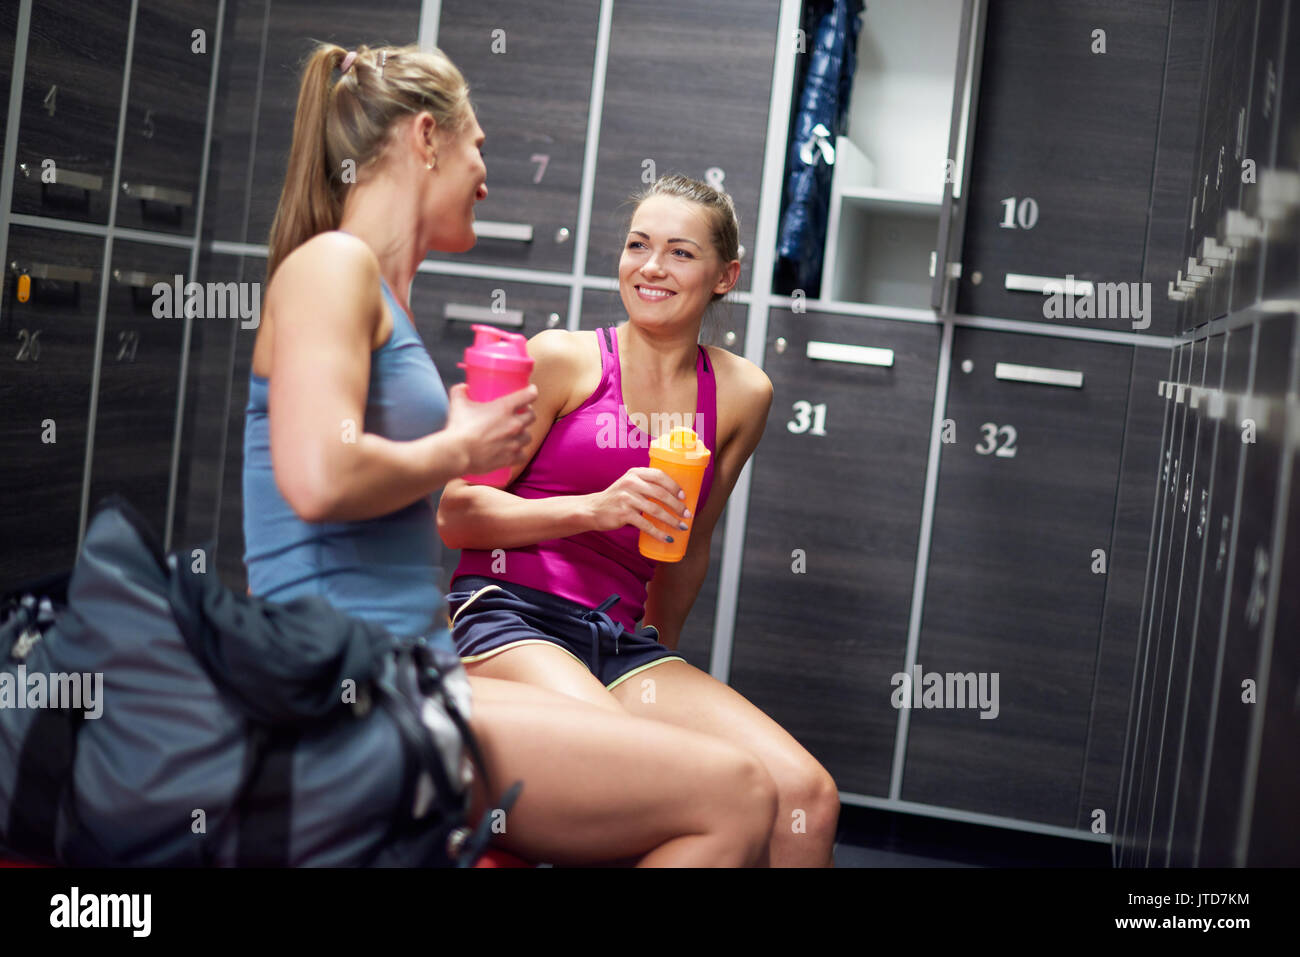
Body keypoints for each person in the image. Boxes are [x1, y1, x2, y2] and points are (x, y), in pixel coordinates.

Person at [241, 41, 779, 866]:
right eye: (479, 147)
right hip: (348, 676)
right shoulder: (332, 264)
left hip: (411, 662)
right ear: (426, 139)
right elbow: (317, 479)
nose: (488, 176)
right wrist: (460, 444)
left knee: (757, 791)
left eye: (681, 253)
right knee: (729, 796)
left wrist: (448, 441)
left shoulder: (387, 292)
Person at [437, 175, 841, 867]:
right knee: (640, 769)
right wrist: (596, 508)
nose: (651, 266)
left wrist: (659, 659)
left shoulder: (743, 393)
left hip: (618, 640)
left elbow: (689, 546)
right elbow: (457, 514)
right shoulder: (564, 359)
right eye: (637, 245)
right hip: (510, 615)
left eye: (681, 252)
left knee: (807, 796)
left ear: (725, 276)